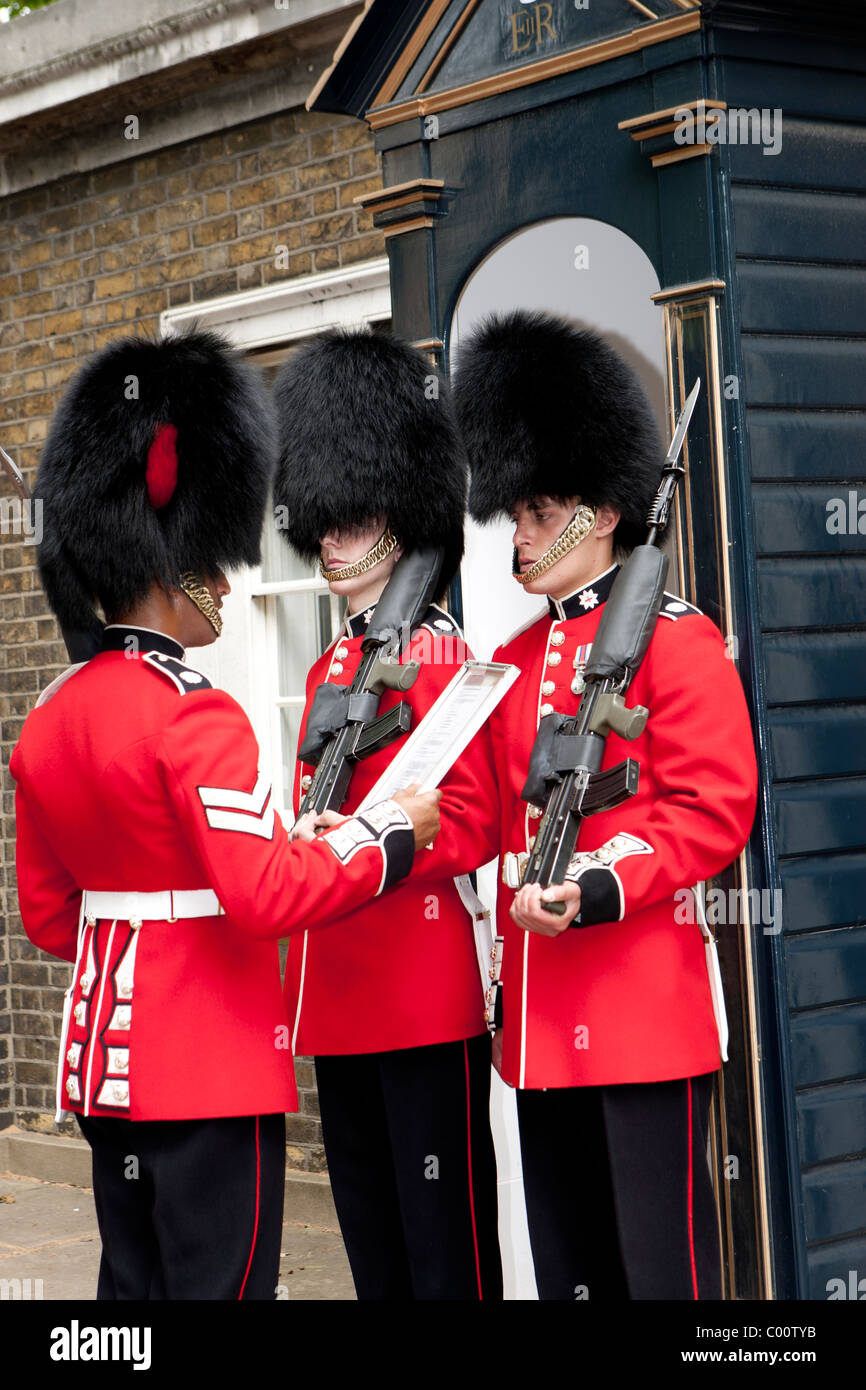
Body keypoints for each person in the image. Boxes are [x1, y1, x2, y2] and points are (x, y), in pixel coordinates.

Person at [10, 329, 440, 1301]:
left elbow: (49, 919)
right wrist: (386, 834)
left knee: (133, 1295)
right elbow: (261, 894)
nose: (231, 580)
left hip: (104, 1071)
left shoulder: (49, 719)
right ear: (179, 562)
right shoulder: (193, 712)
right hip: (205, 1066)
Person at [453, 309, 758, 1301]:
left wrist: (598, 881)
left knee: (657, 1276)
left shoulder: (676, 642)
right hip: (537, 1024)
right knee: (571, 1273)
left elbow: (713, 808)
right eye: (518, 514)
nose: (522, 534)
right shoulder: (508, 665)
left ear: (604, 513)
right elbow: (478, 818)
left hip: (638, 1013)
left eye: (541, 513)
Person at [272, 328, 503, 1300]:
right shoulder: (330, 666)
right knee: (373, 1249)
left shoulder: (444, 657)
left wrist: (369, 841)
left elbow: (472, 816)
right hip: (337, 997)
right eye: (322, 516)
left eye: (353, 515)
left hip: (418, 993)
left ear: (400, 517)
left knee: (442, 1252)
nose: (330, 535)